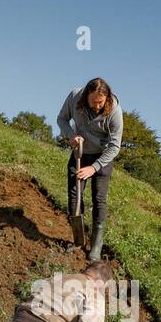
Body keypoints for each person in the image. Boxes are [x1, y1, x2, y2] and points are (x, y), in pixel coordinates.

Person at [56, 78, 123, 260]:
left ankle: (96, 246)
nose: (97, 106)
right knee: (74, 193)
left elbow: (115, 146)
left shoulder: (115, 111)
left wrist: (94, 168)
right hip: (81, 151)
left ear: (106, 98)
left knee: (99, 198)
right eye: (93, 102)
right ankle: (78, 240)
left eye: (100, 102)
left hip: (103, 157)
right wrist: (71, 135)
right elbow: (61, 119)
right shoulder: (74, 97)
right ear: (86, 96)